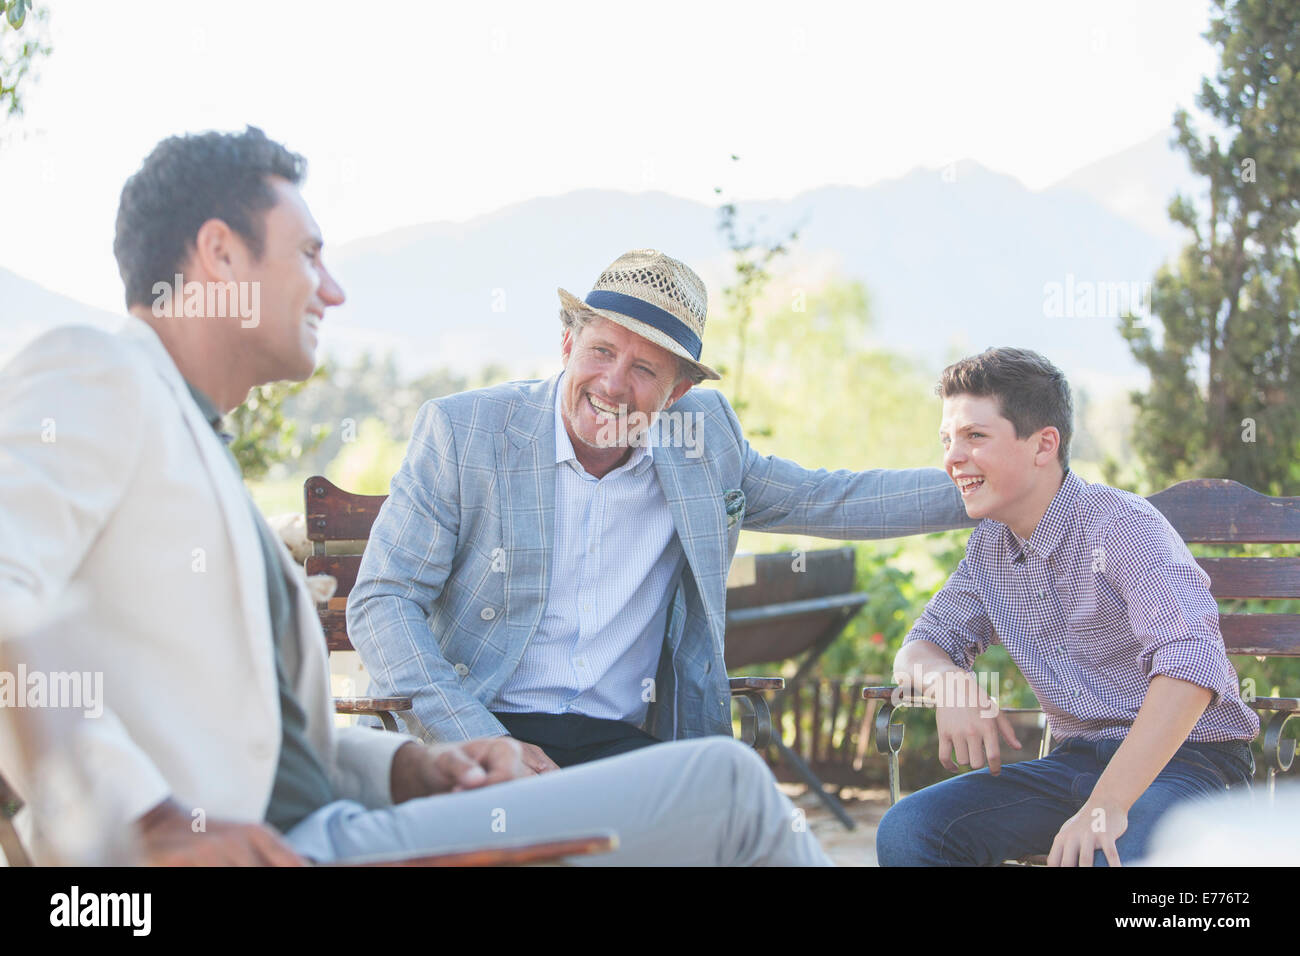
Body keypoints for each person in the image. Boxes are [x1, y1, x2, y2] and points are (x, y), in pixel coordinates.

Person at [0, 126, 830, 866]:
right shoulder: (95, 370)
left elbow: (274, 749)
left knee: (700, 814)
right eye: (309, 255)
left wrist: (413, 765)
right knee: (728, 791)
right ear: (220, 256)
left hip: (332, 819)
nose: (333, 289)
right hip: (277, 849)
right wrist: (148, 820)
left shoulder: (191, 444)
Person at [347, 249, 972, 770]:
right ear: (567, 343)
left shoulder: (700, 443)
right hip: (479, 722)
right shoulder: (467, 432)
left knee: (741, 814)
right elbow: (383, 599)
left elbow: (826, 498)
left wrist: (988, 490)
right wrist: (479, 738)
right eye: (601, 352)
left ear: (678, 392)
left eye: (644, 368)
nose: (614, 384)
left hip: (627, 747)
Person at [874, 347, 1259, 867]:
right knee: (911, 831)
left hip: (1190, 763)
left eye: (974, 436)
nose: (952, 458)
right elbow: (918, 648)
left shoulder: (1124, 527)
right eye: (947, 440)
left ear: (1043, 445)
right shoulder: (991, 546)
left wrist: (1106, 805)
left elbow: (1192, 667)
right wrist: (949, 681)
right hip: (1074, 764)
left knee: (1105, 854)